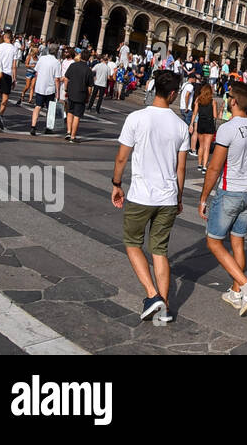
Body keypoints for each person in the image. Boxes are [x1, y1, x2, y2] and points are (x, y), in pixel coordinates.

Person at [111, 69, 188, 322]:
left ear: (154, 88)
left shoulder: (137, 118)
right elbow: (181, 167)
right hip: (167, 197)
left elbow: (122, 156)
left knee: (133, 243)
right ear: (174, 94)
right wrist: (178, 198)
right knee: (160, 251)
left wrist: (116, 183)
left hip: (141, 194)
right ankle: (163, 307)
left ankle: (152, 295)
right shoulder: (181, 126)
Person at [198, 81, 247, 316]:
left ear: (234, 101)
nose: (228, 100)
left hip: (230, 191)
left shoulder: (228, 128)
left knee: (214, 242)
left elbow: (215, 167)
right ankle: (236, 292)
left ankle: (246, 285)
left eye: (229, 98)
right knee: (237, 241)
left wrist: (204, 197)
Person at [63, 48, 93, 143]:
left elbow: (66, 78)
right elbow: (89, 87)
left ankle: (68, 131)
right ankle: (73, 136)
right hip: (81, 94)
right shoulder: (88, 70)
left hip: (71, 92)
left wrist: (66, 89)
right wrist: (88, 97)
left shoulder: (73, 65)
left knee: (70, 113)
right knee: (77, 115)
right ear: (88, 59)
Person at [190, 83, 218, 174]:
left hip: (201, 122)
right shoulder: (213, 101)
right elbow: (215, 116)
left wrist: (191, 124)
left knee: (201, 145)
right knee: (207, 146)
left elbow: (194, 113)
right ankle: (205, 166)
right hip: (209, 123)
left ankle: (199, 164)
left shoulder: (198, 100)